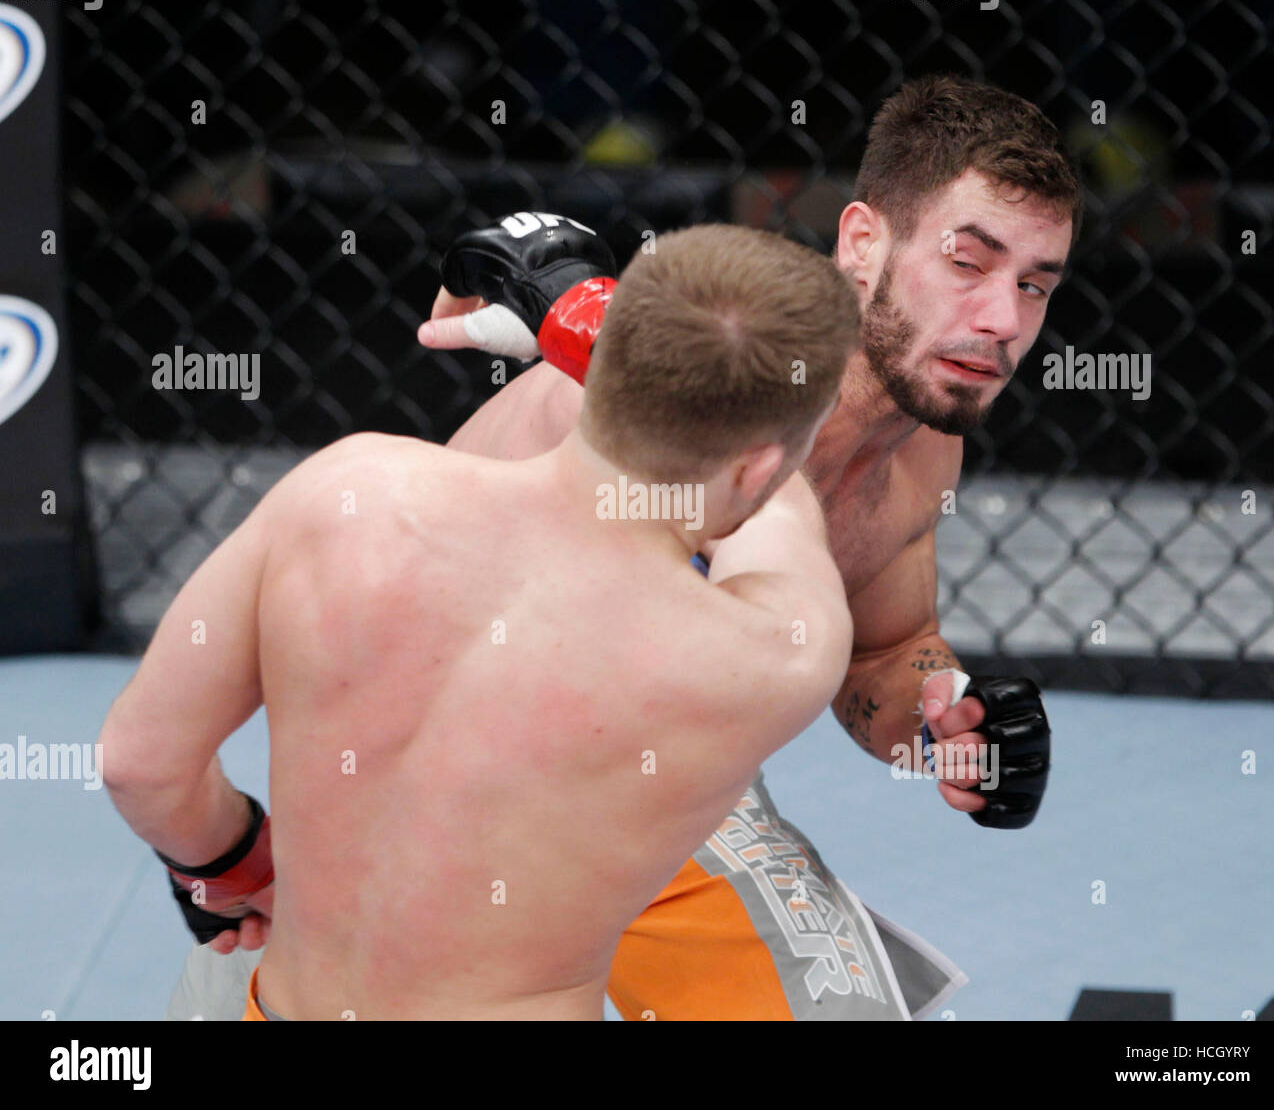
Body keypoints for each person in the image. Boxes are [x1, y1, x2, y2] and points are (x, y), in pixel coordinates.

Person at [166, 72, 1068, 1021]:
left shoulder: (925, 448)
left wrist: (950, 727)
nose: (1003, 320)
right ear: (861, 242)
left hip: (629, 790)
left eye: (1035, 286)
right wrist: (222, 845)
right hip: (434, 789)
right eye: (967, 264)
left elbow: (885, 648)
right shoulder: (691, 353)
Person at [102, 224, 861, 1020]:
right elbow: (773, 519)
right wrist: (583, 326)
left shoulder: (347, 491)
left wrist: (232, 864)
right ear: (763, 464)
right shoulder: (772, 653)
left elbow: (140, 763)